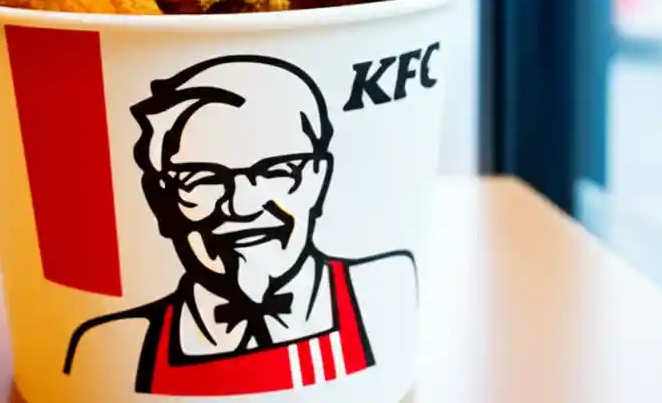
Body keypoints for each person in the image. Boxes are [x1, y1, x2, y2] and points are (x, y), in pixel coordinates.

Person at [63, 56, 417, 396]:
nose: (242, 206)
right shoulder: (117, 344)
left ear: (317, 180)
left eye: (277, 172)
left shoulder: (384, 289)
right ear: (161, 199)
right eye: (202, 179)